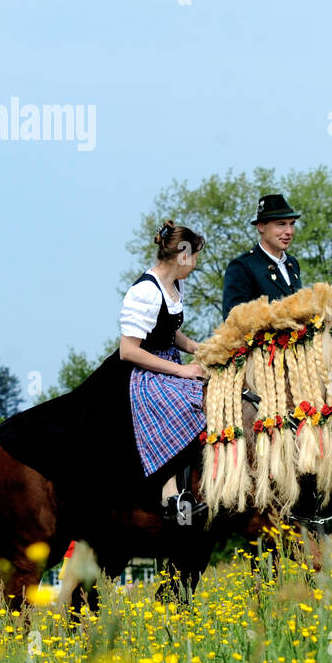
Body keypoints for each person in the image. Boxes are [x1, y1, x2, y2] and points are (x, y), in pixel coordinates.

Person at [121, 221, 209, 517]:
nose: (195, 264)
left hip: (170, 364)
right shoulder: (145, 291)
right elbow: (129, 350)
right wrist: (181, 371)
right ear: (183, 255)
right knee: (190, 404)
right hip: (146, 374)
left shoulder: (175, 285)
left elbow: (171, 333)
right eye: (194, 257)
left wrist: (200, 349)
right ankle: (173, 495)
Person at [222, 194, 304, 318]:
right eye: (281, 224)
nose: (289, 231)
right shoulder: (242, 267)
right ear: (261, 226)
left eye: (292, 224)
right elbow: (234, 320)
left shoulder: (292, 263)